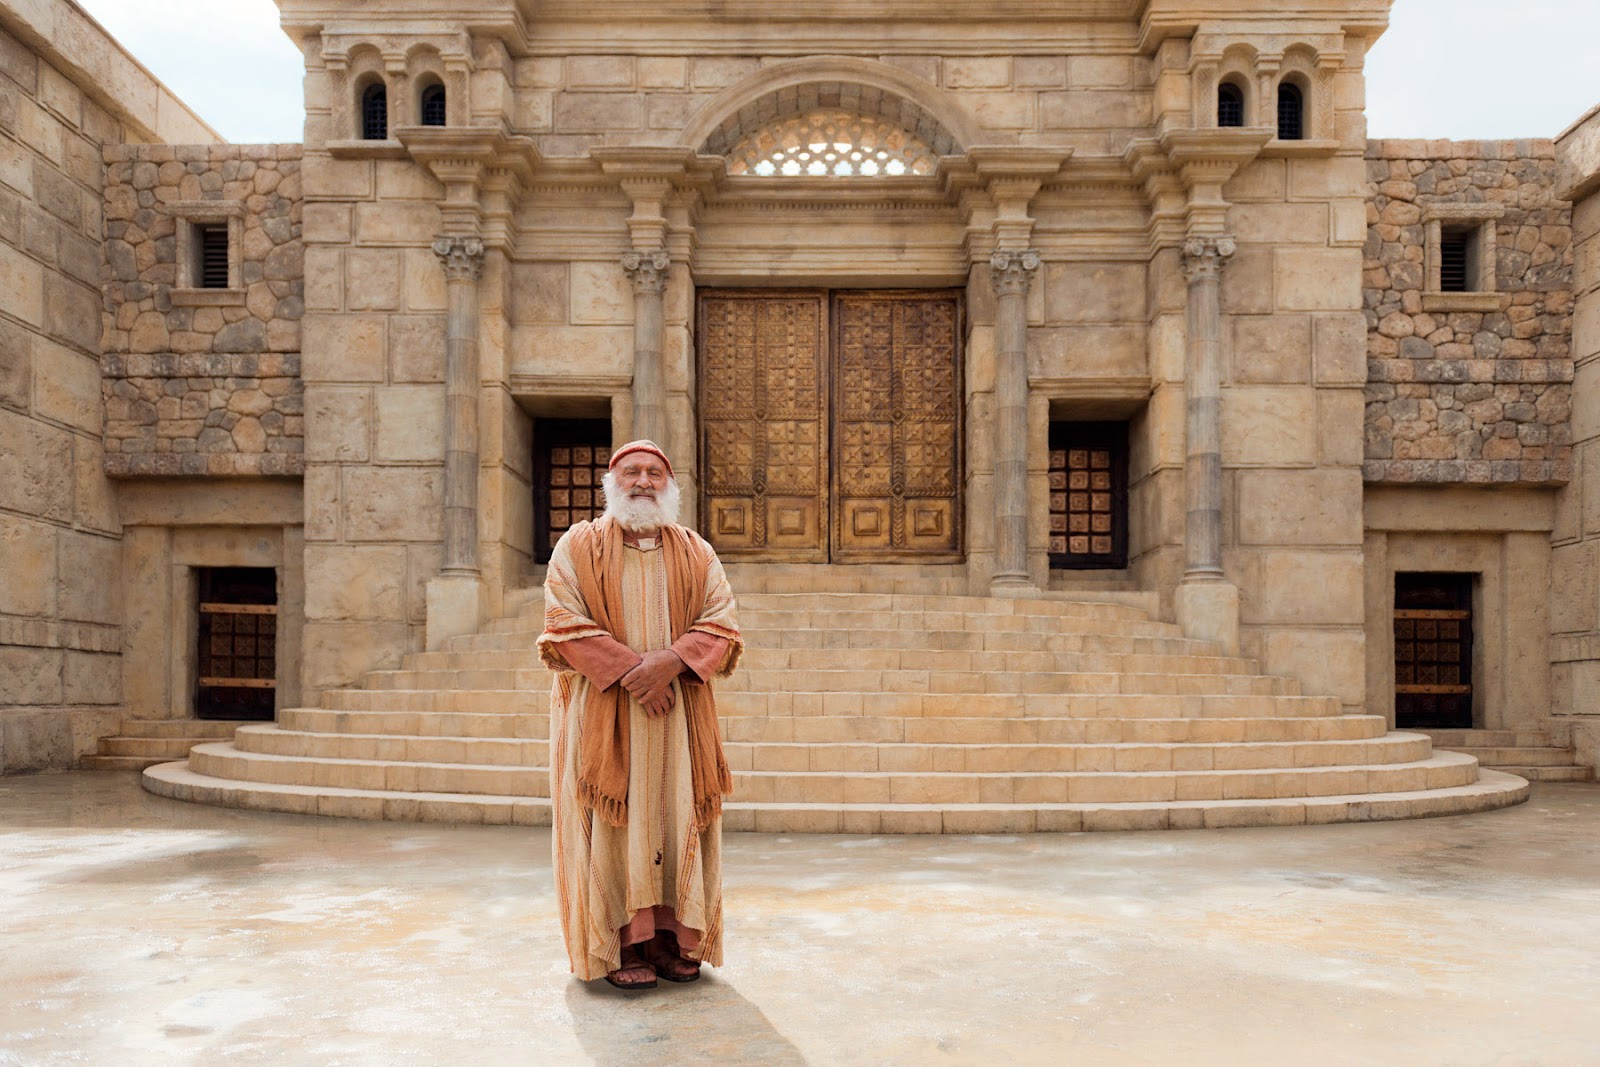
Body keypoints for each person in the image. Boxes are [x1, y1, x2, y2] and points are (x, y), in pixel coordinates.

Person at [537, 440, 742, 990]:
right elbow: (561, 617)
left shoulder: (697, 552)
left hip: (679, 717)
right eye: (632, 472)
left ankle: (673, 940)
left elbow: (722, 621)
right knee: (611, 824)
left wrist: (670, 663)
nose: (643, 481)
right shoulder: (578, 546)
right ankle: (620, 947)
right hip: (604, 713)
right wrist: (637, 673)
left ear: (670, 487)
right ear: (611, 482)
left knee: (679, 817)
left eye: (654, 473)